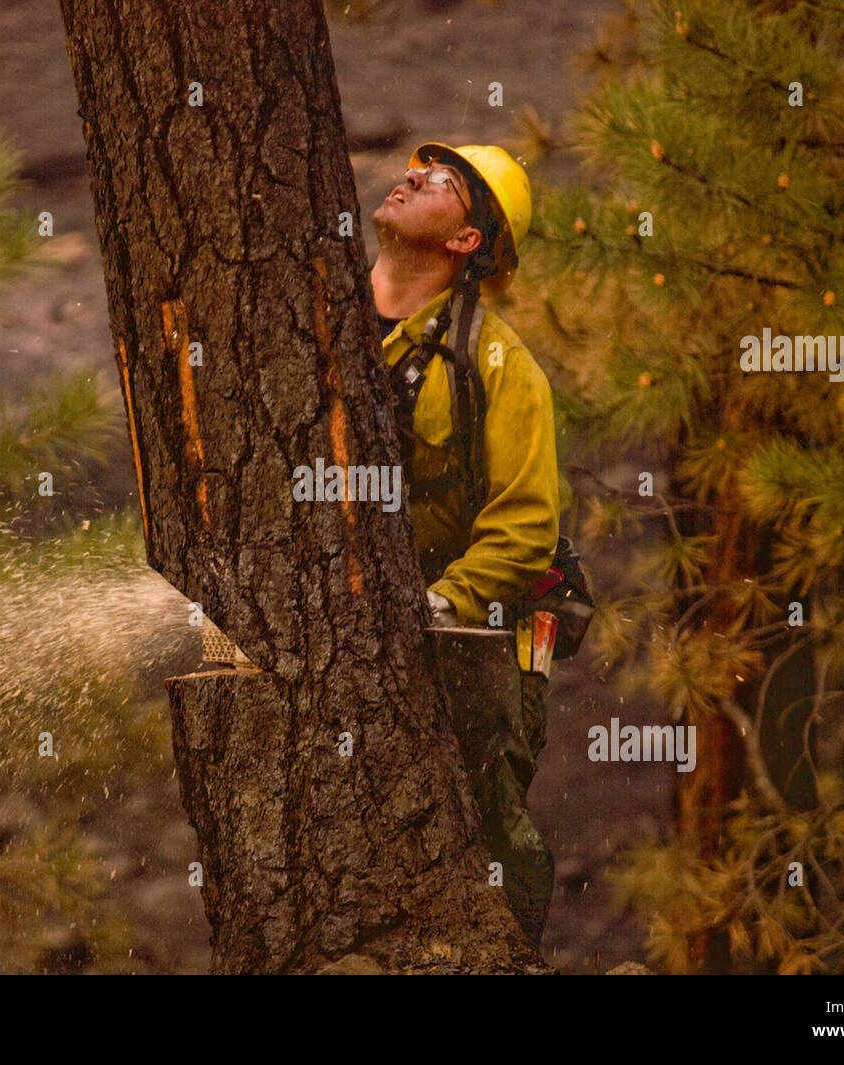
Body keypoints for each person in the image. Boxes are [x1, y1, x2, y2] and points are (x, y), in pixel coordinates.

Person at [370, 142, 566, 944]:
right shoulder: (306, 331)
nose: (412, 174)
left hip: (478, 651)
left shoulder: (499, 364)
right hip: (366, 634)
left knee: (482, 847)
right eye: (416, 166)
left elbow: (525, 527)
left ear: (466, 241)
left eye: (443, 181)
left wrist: (437, 603)